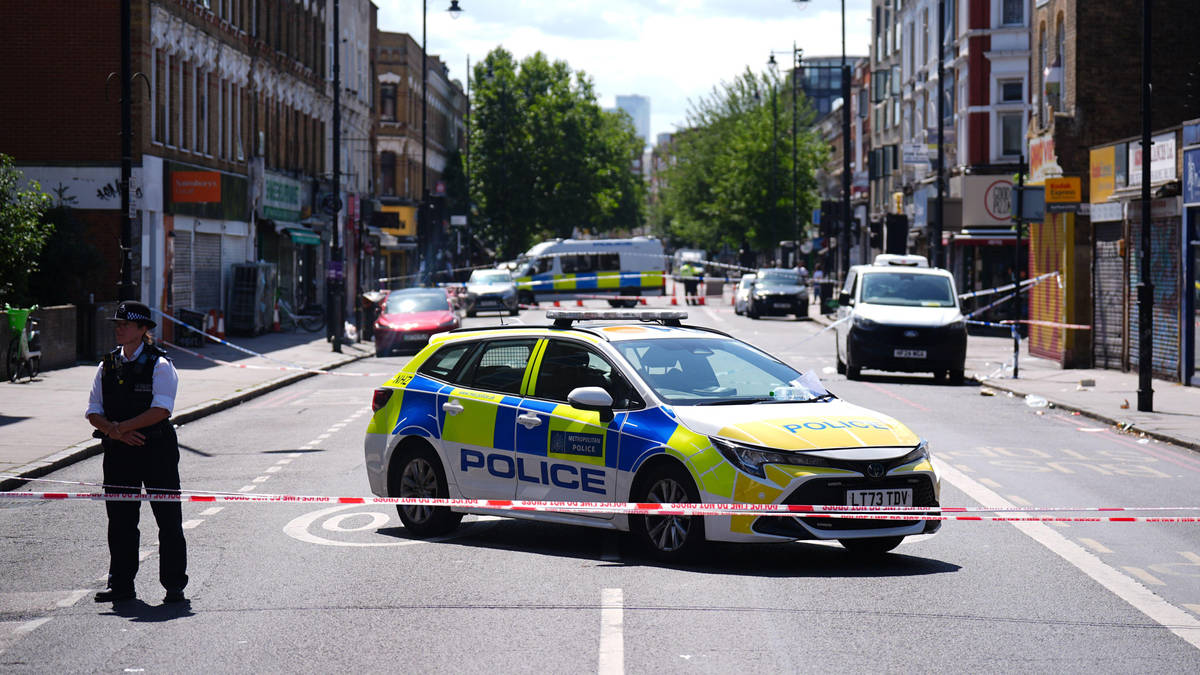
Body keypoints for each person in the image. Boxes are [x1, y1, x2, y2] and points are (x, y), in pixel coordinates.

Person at [85, 301, 188, 604]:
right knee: (121, 521)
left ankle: (174, 585)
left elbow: (162, 409)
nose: (119, 329)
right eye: (117, 324)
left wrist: (121, 428)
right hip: (119, 452)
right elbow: (92, 410)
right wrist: (115, 432)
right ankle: (121, 584)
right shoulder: (107, 365)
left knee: (168, 519)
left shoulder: (160, 365)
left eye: (125, 324)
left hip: (156, 450)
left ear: (143, 329)